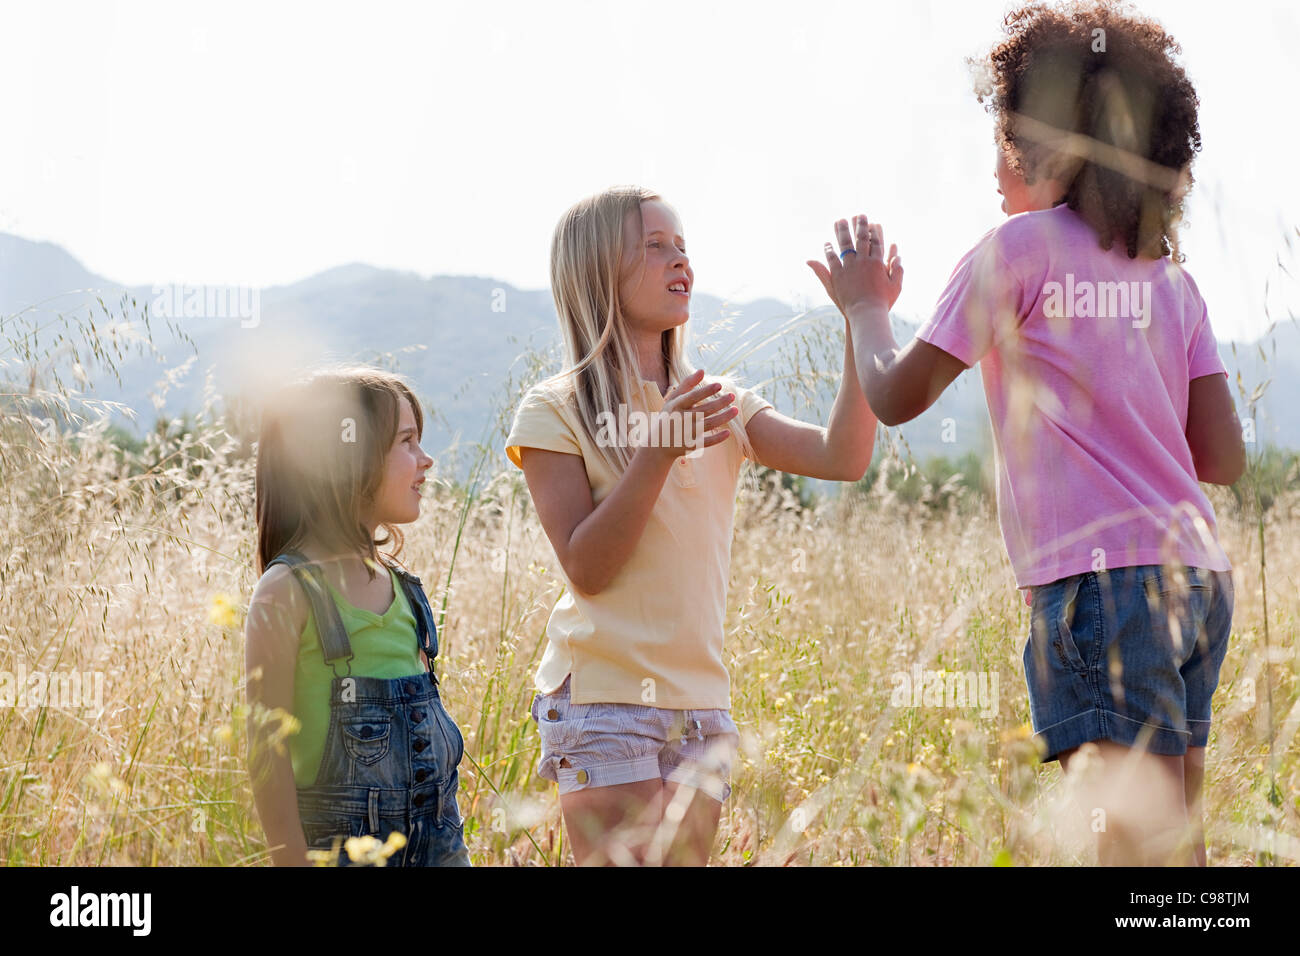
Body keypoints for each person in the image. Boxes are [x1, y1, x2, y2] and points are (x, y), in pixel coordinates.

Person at [809, 1, 1244, 865]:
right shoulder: (1172, 281)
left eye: (1005, 139)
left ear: (1043, 143)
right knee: (1172, 843)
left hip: (1102, 589)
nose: (995, 168)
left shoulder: (1018, 250)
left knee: (1128, 849)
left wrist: (864, 309)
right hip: (1199, 578)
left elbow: (894, 397)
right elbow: (1223, 458)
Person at [505, 185, 885, 865]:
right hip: (604, 699)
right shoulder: (554, 409)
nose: (679, 260)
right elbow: (588, 569)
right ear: (596, 272)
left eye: (682, 246)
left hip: (700, 703)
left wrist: (861, 317)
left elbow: (844, 456)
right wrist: (657, 451)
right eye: (654, 247)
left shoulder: (723, 403)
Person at [244, 365, 471, 866]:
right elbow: (267, 755)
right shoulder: (287, 590)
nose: (426, 460)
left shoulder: (407, 591)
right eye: (408, 442)